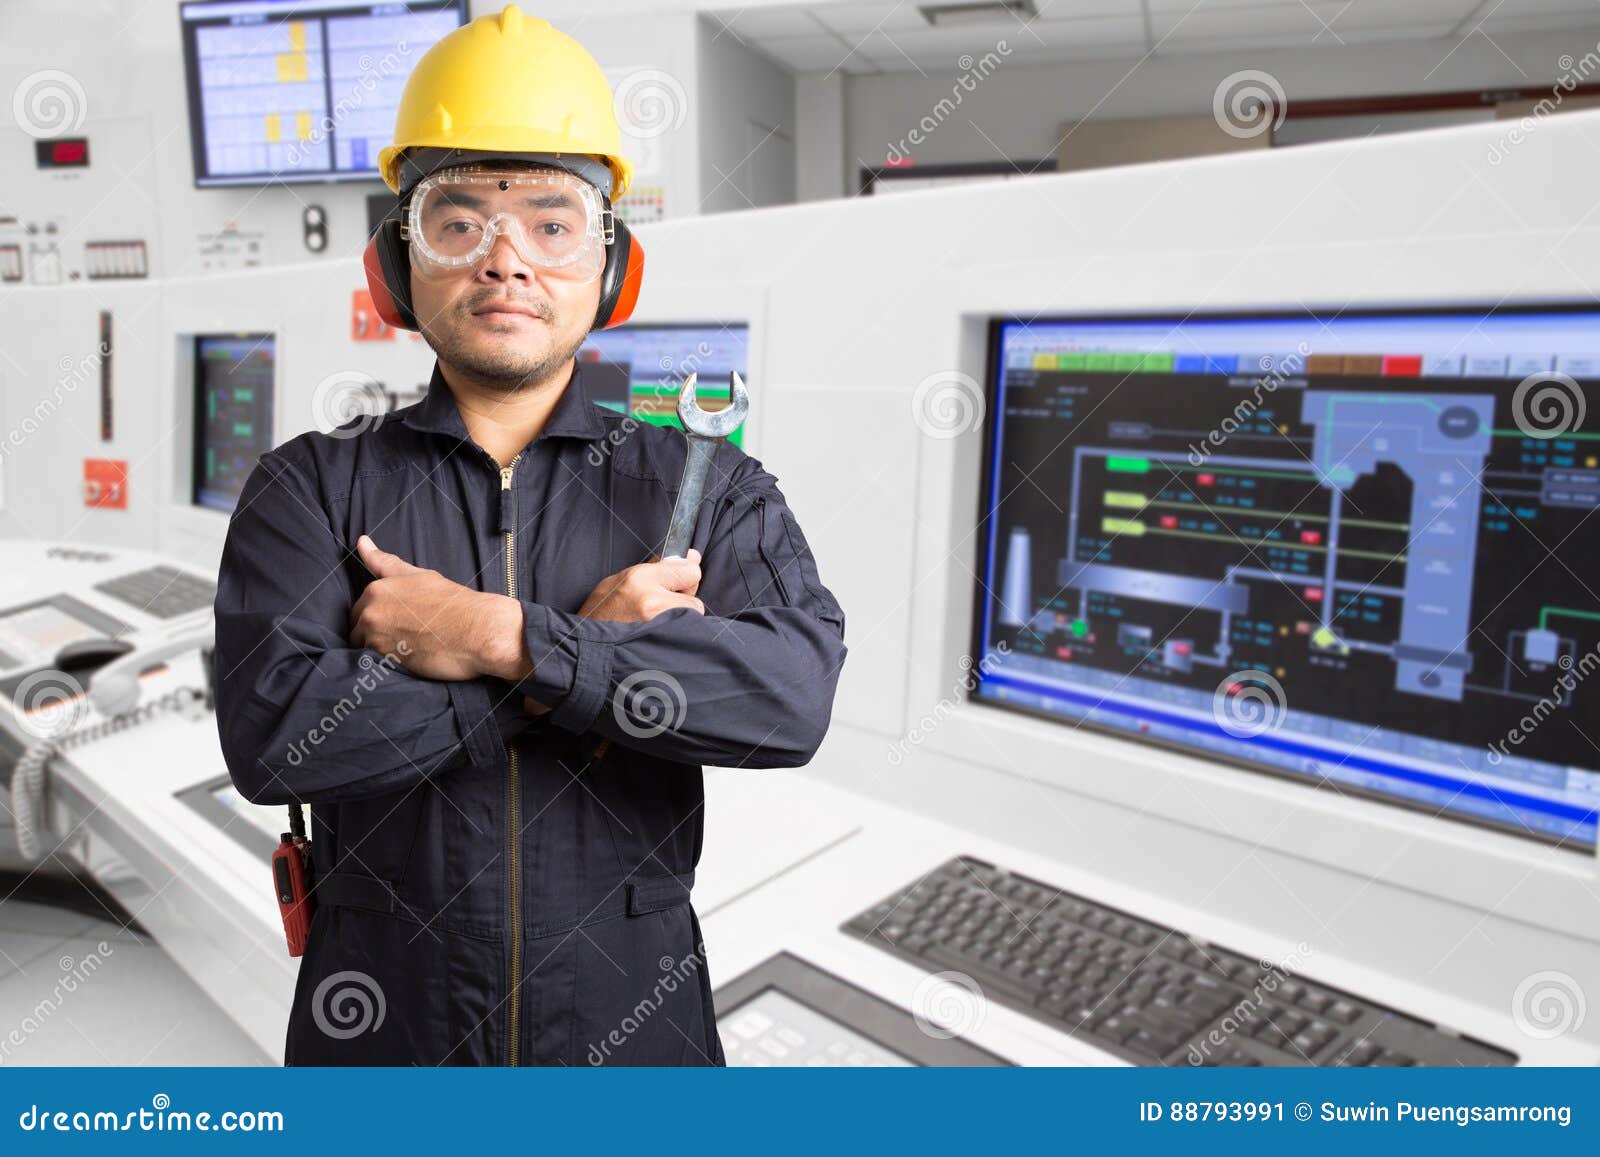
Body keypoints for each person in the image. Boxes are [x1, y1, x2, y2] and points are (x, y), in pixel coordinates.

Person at [213, 5, 846, 1066]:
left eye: (553, 226)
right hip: (383, 1037)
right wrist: (581, 659)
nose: (505, 262)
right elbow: (277, 739)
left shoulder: (706, 483)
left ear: (611, 266)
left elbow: (789, 697)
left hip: (632, 1035)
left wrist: (494, 635)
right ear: (396, 264)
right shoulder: (311, 485)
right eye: (458, 223)